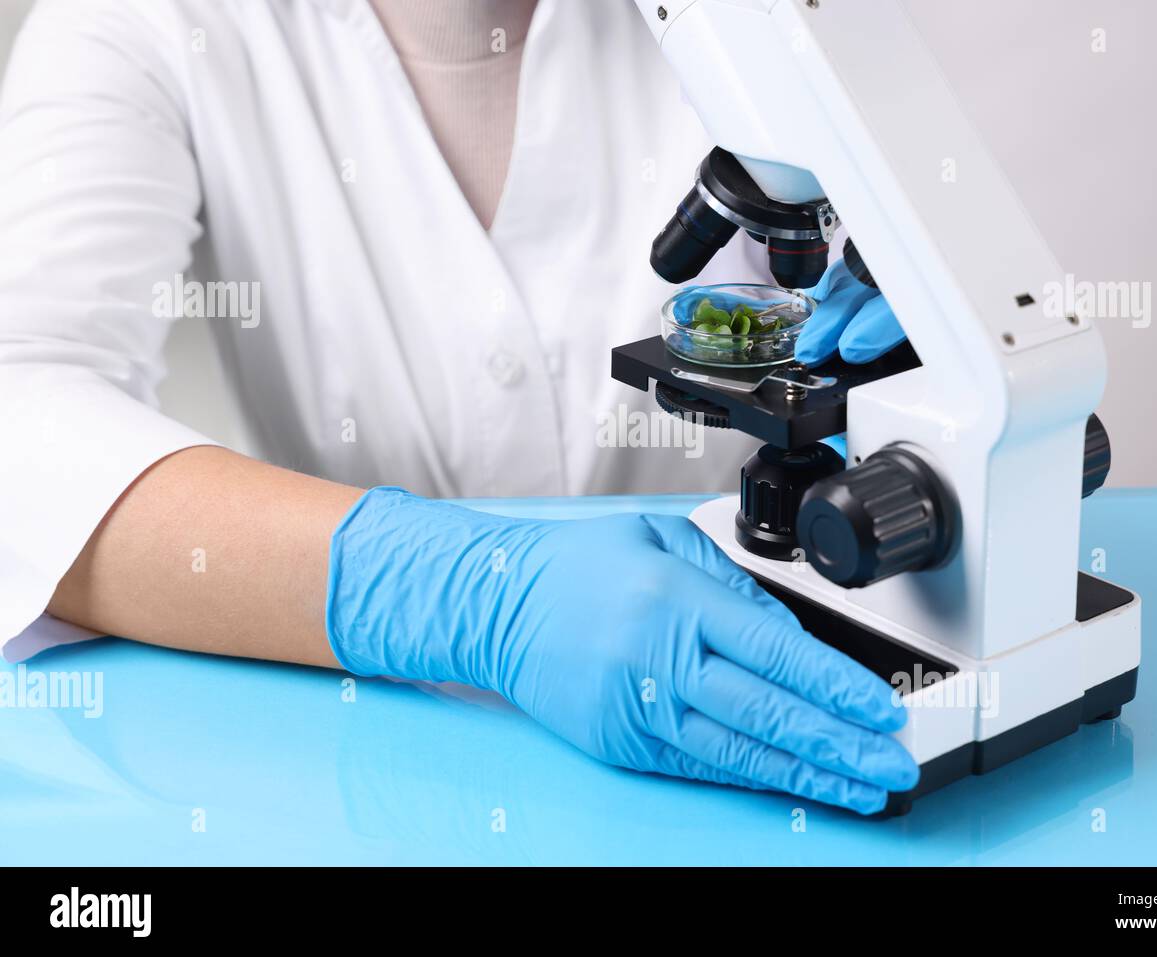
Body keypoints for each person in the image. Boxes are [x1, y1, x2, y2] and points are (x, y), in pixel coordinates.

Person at [0, 0, 912, 814]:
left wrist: (955, 315)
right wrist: (459, 592)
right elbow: (20, 409)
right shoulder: (141, 22)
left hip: (753, 671)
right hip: (360, 764)